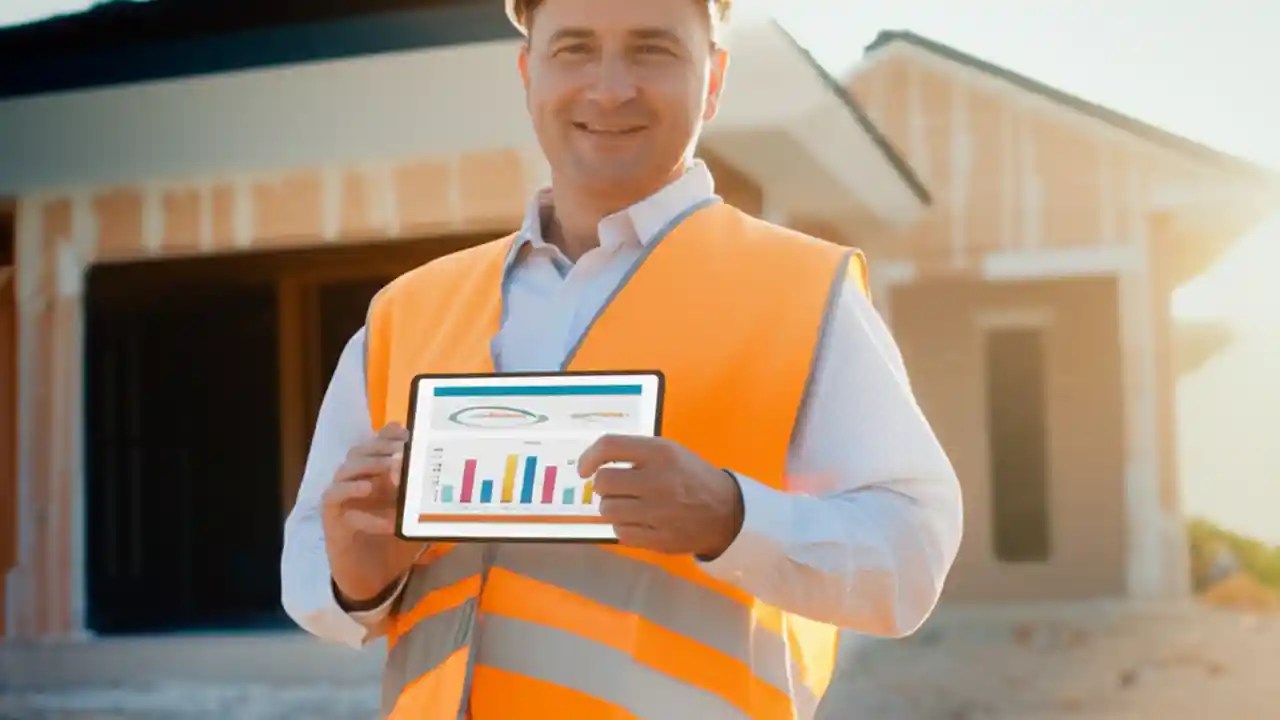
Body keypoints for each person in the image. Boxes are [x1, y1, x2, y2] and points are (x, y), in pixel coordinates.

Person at [280, 0, 963, 717]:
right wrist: (360, 579)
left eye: (651, 50)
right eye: (575, 49)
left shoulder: (803, 293)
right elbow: (312, 562)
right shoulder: (408, 311)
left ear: (714, 79)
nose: (609, 89)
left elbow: (909, 560)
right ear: (528, 74)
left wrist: (733, 517)